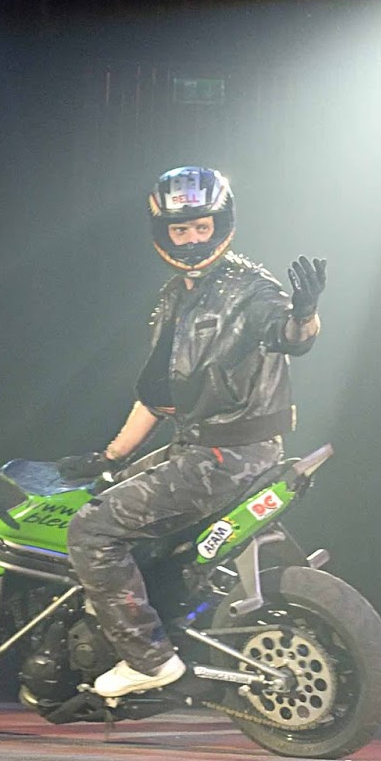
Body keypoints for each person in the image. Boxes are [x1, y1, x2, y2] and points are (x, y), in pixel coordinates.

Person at [60, 166, 326, 699]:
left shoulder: (251, 288)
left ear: (220, 224)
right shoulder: (173, 298)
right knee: (96, 501)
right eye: (181, 230)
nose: (192, 239)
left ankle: (148, 658)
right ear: (164, 234)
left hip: (227, 454)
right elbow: (159, 394)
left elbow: (289, 335)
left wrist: (307, 313)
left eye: (201, 227)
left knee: (89, 532)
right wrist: (111, 454)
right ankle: (144, 622)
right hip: (197, 447)